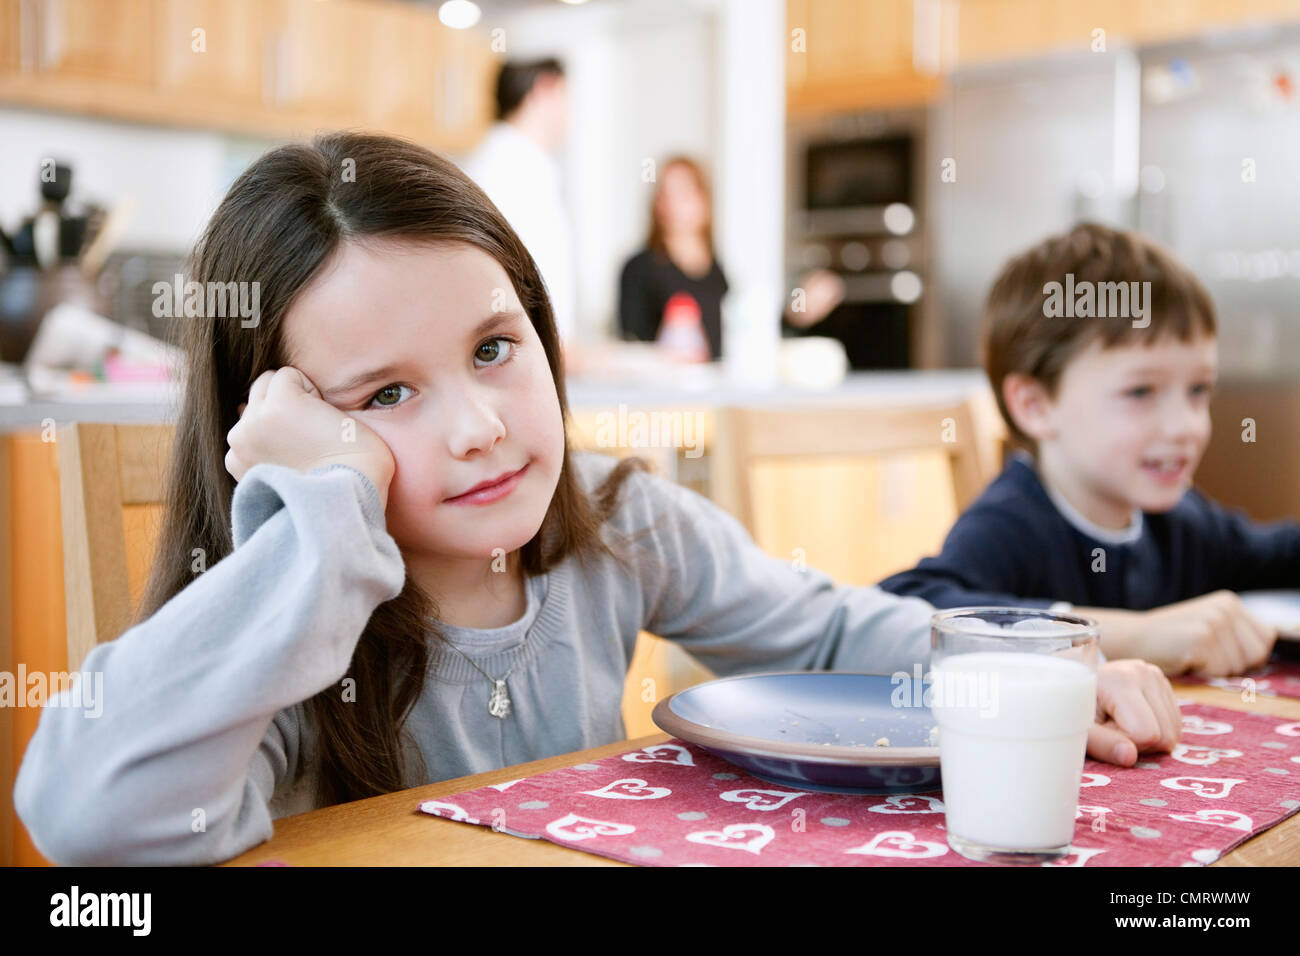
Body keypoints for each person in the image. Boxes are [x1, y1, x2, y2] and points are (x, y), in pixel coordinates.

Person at [14, 137, 1180, 865]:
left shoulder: (616, 515)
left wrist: (1026, 683)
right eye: (384, 394)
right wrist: (323, 519)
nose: (478, 424)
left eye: (491, 347)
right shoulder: (281, 625)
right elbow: (86, 821)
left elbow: (825, 629)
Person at [878, 222, 1295, 678]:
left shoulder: (1180, 523)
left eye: (1199, 390)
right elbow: (908, 605)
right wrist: (1127, 635)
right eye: (1140, 392)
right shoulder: (1011, 524)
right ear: (1035, 405)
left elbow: (1275, 554)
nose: (1186, 426)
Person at [618, 156, 844, 361]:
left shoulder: (716, 270)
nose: (673, 205)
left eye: (684, 194)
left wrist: (798, 311)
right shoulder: (638, 268)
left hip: (715, 391)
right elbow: (631, 346)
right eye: (665, 194)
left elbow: (744, 329)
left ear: (704, 202)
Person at [461, 57, 576, 347]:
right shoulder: (510, 168)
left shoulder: (520, 163)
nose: (569, 113)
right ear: (544, 89)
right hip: (524, 346)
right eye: (565, 96)